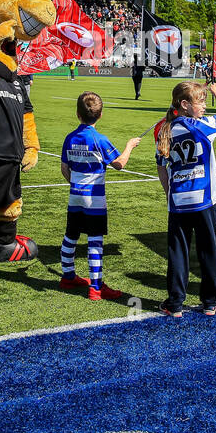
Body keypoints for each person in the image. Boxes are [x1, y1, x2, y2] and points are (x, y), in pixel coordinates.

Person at [155, 80, 216, 317]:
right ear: (184, 104)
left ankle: (175, 303)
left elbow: (161, 166)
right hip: (204, 200)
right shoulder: (203, 126)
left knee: (177, 252)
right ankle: (210, 302)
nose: (204, 106)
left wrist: (168, 191)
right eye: (200, 101)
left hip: (178, 201)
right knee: (208, 250)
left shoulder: (164, 130)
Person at [59, 91, 141, 300]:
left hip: (75, 195)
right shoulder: (99, 139)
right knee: (95, 239)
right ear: (100, 114)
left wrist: (75, 183)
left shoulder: (70, 137)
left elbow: (64, 168)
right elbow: (119, 164)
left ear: (78, 114)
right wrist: (130, 146)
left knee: (71, 235)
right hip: (94, 198)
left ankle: (68, 277)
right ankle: (96, 287)